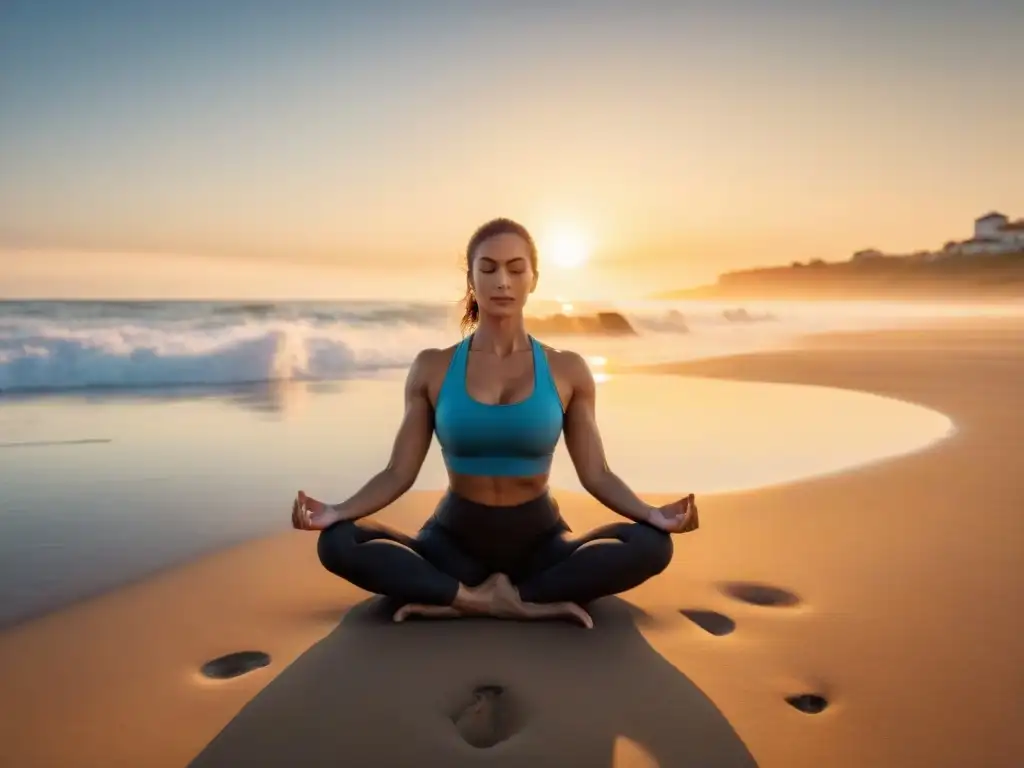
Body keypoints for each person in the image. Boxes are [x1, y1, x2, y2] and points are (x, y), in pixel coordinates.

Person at [290, 217, 699, 628]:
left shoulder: (567, 369)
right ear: (471, 278)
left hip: (541, 546)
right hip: (451, 545)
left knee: (652, 545)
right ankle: (489, 600)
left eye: (515, 268)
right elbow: (399, 472)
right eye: (487, 269)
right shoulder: (433, 366)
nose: (502, 280)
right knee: (338, 541)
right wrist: (337, 510)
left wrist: (651, 514)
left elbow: (597, 473)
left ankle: (486, 598)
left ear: (533, 278)